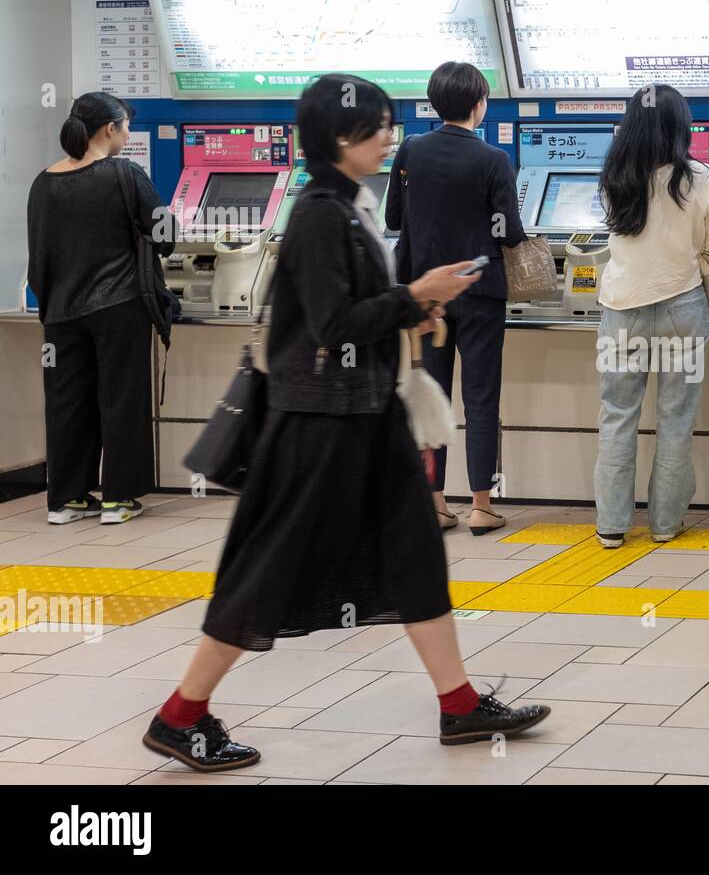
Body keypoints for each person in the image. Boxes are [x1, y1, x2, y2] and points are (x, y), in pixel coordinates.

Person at [142, 75, 548, 771]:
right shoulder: (320, 213)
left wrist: (408, 305)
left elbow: (358, 305)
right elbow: (333, 324)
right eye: (378, 129)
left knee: (417, 554)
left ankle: (458, 703)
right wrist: (414, 294)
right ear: (338, 138)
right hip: (318, 424)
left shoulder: (346, 202)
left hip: (365, 412)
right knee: (265, 571)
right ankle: (181, 714)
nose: (390, 139)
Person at [387, 62, 526, 536]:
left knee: (434, 399)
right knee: (482, 399)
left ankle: (436, 502)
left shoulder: (411, 151)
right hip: (480, 292)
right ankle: (482, 506)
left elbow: (392, 218)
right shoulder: (493, 159)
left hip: (427, 297)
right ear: (478, 104)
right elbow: (509, 231)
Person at [26, 92, 172, 526]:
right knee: (120, 399)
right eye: (125, 125)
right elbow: (165, 233)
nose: (127, 134)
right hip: (119, 306)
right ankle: (118, 498)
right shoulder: (123, 174)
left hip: (61, 312)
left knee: (67, 402)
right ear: (110, 129)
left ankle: (67, 499)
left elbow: (39, 255)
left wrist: (51, 303)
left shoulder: (43, 182)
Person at [592, 84, 709, 548]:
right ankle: (665, 525)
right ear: (680, 126)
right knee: (675, 418)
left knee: (616, 416)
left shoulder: (614, 174)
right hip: (682, 311)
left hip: (620, 311)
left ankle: (611, 526)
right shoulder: (700, 177)